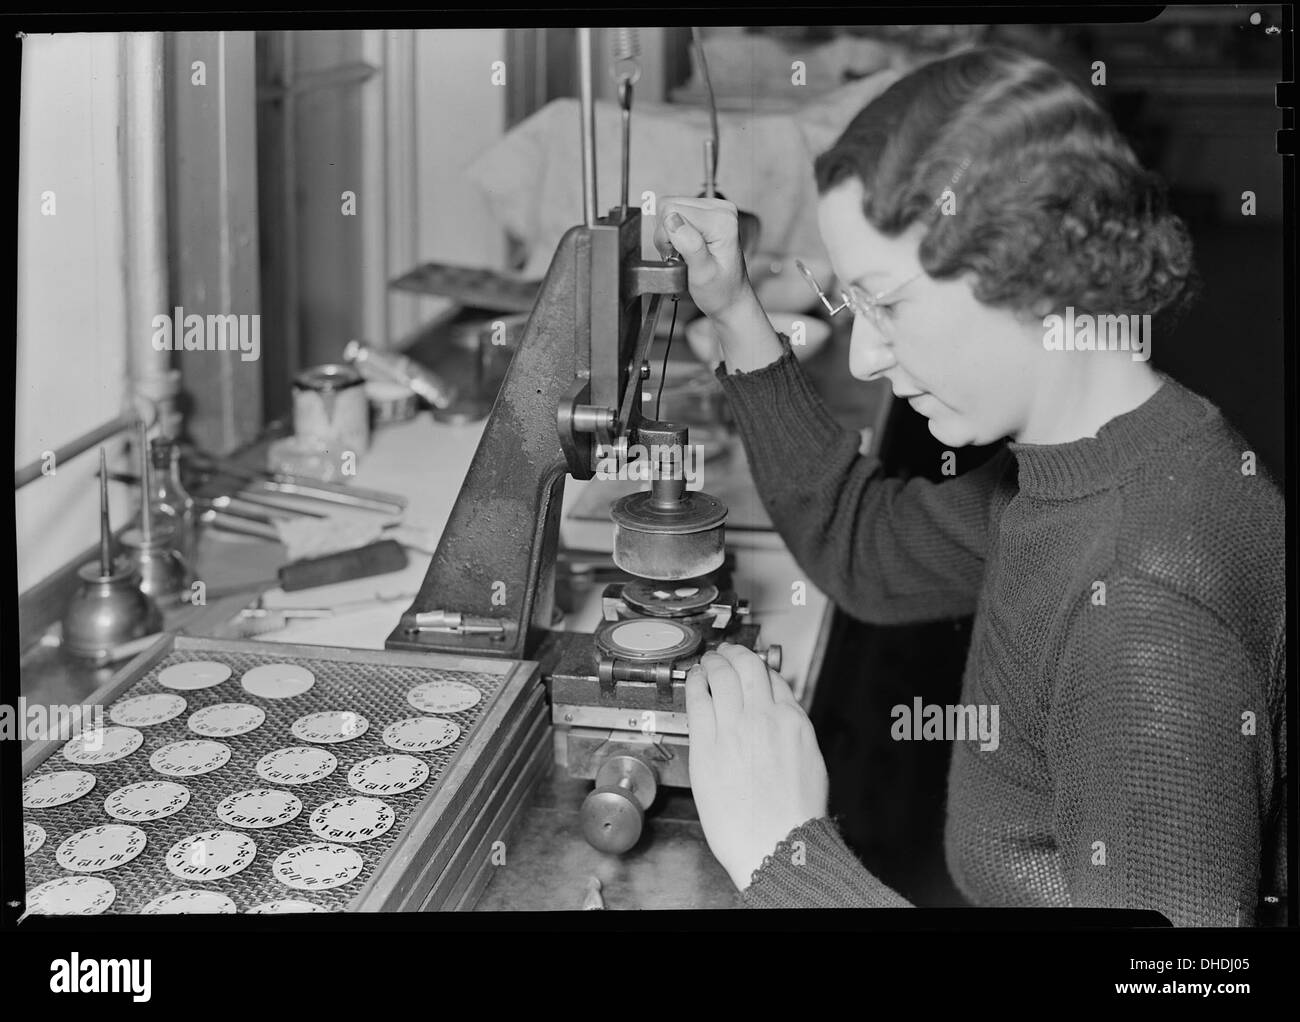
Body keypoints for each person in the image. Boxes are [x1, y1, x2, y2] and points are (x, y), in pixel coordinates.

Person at [653, 46, 1286, 925]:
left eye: (889, 304)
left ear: (1028, 270)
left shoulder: (1146, 611)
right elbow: (865, 547)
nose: (866, 355)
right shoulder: (1095, 462)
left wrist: (786, 855)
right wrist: (732, 311)